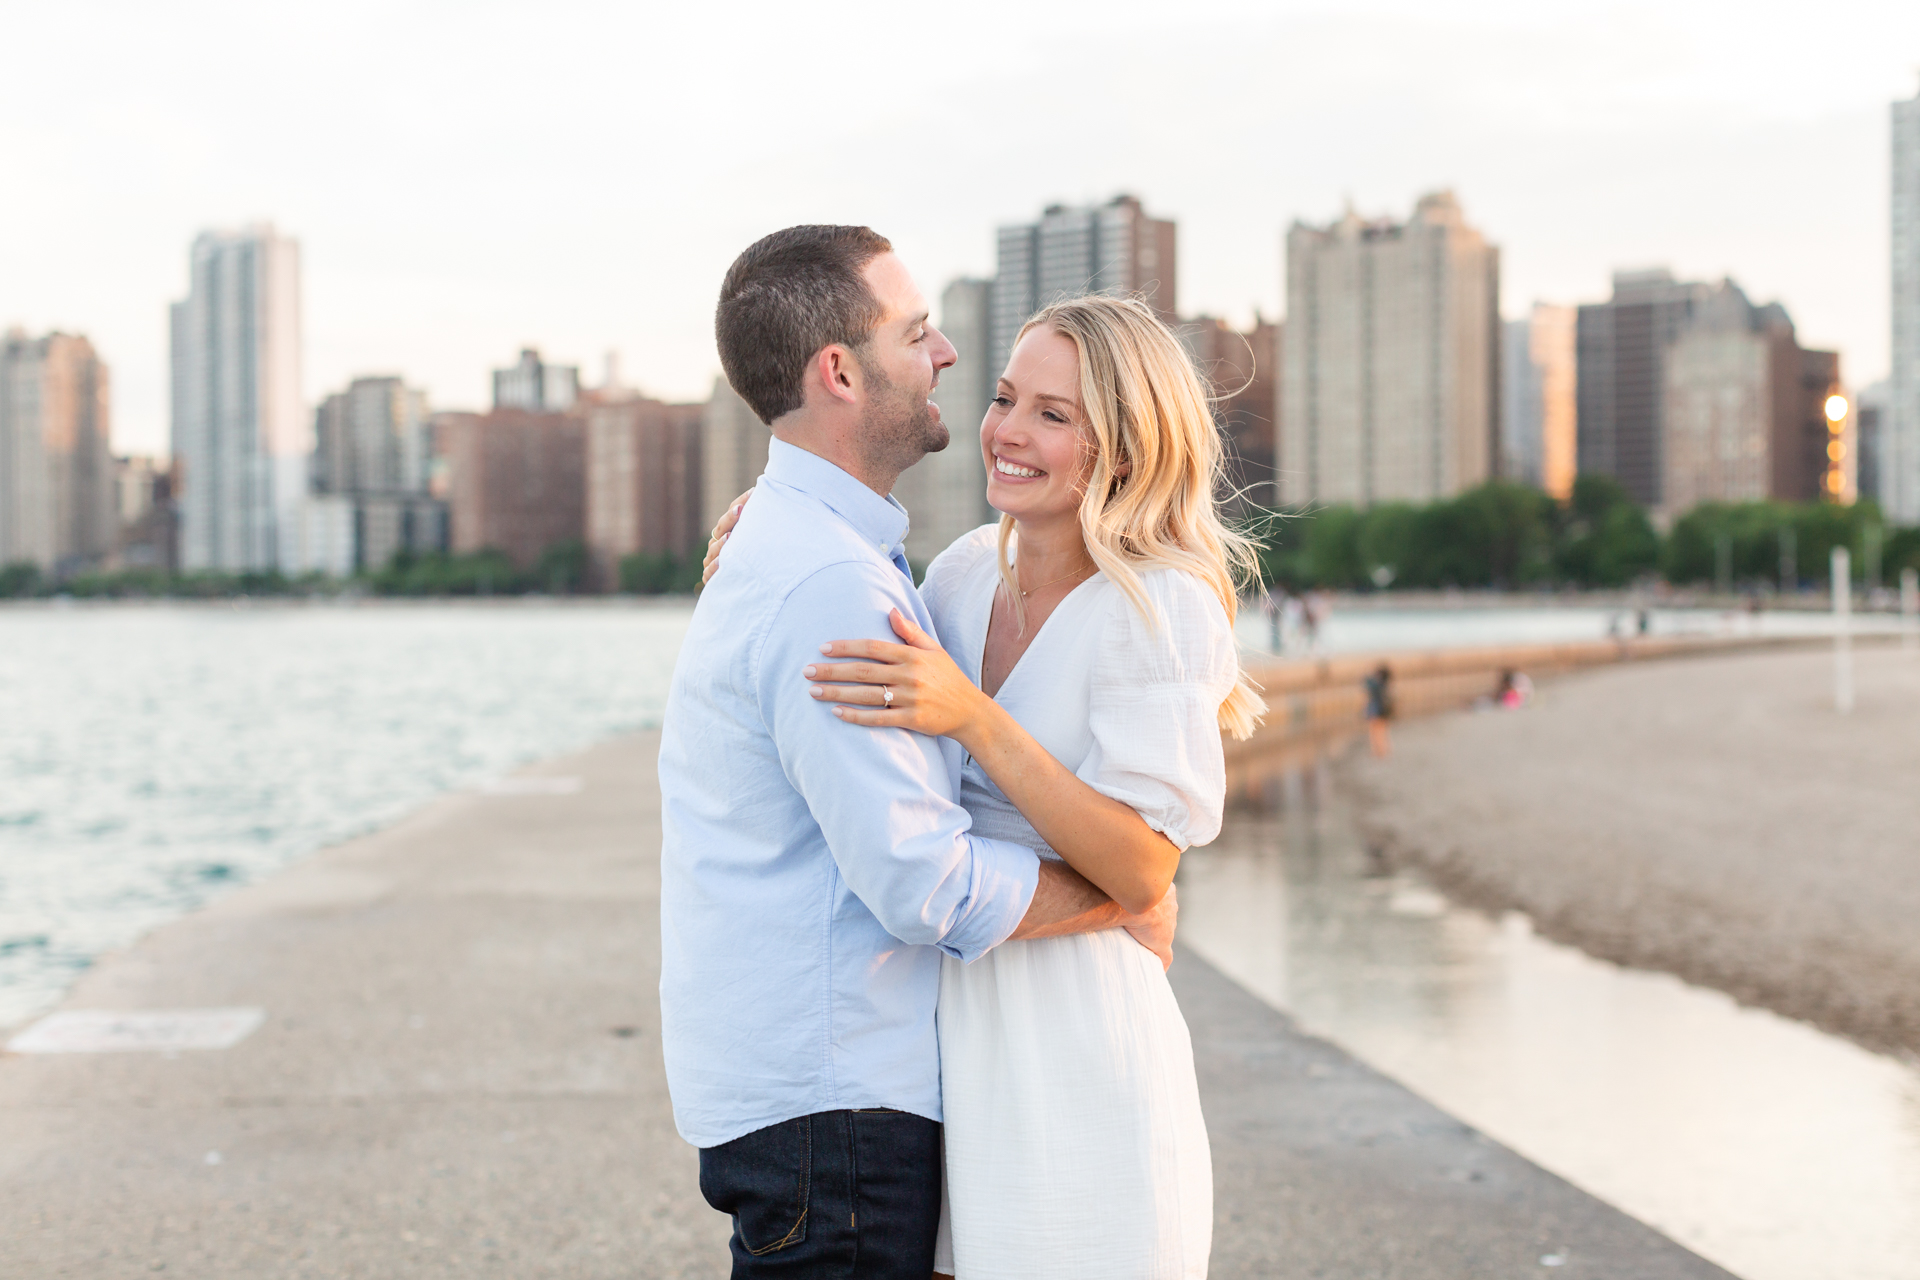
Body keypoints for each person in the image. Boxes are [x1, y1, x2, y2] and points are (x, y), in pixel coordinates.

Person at [707, 294, 1264, 1278]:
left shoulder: (1158, 603)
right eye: (1007, 397)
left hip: (1081, 1041)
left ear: (1126, 449)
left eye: (1054, 414)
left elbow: (1144, 865)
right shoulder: (965, 573)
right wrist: (772, 523)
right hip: (952, 1041)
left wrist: (975, 718)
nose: (1007, 431)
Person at [1363, 662, 1393, 757]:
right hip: (1384, 711)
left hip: (1376, 710)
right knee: (1383, 731)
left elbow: (1367, 682)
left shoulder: (1377, 685)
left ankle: (1378, 751)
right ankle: (1384, 750)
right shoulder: (1385, 685)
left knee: (1374, 732)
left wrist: (1368, 674)